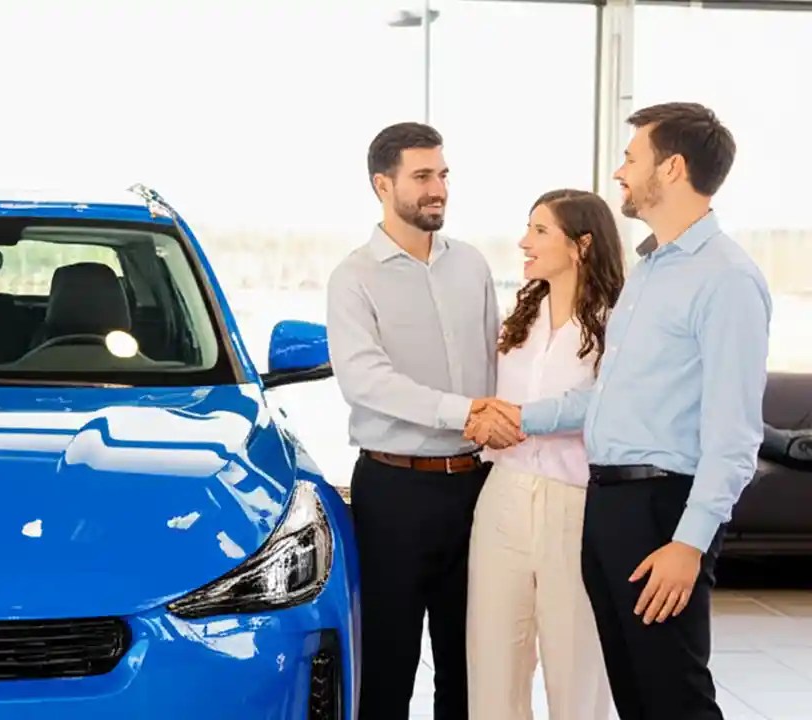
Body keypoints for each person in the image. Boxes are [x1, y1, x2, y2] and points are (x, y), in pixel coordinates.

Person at [469, 102, 771, 720]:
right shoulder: (652, 269)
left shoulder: (727, 278)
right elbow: (606, 396)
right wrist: (518, 416)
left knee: (672, 696)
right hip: (610, 504)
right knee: (634, 694)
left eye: (632, 159)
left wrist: (689, 543)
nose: (619, 173)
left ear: (674, 168)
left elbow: (735, 434)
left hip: (661, 510)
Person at [326, 121, 509, 720]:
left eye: (444, 175)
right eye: (423, 176)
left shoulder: (473, 266)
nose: (439, 189)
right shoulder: (353, 277)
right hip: (394, 491)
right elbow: (366, 381)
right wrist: (466, 412)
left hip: (475, 487)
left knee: (469, 663)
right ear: (383, 184)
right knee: (388, 664)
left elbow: (493, 360)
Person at [464, 189, 624, 720]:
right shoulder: (519, 322)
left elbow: (602, 405)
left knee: (575, 665)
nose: (523, 242)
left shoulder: (616, 324)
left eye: (539, 231)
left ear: (581, 244)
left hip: (575, 504)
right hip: (503, 495)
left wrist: (515, 418)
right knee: (493, 664)